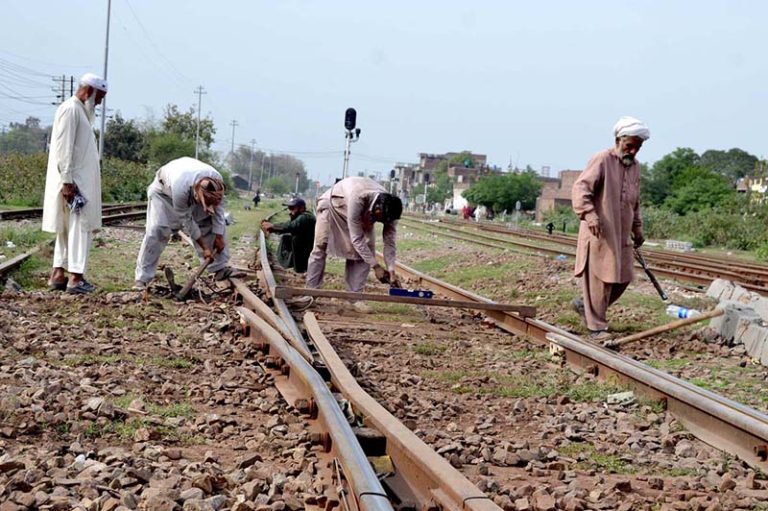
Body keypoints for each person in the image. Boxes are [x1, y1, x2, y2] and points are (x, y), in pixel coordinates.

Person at [571, 116, 649, 339]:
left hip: (622, 233)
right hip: (600, 232)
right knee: (600, 280)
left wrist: (638, 228)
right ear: (618, 140)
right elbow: (581, 188)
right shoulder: (602, 159)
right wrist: (589, 214)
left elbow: (635, 200)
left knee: (623, 277)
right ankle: (596, 327)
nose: (633, 151)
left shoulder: (635, 168)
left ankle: (585, 306)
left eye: (637, 147)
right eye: (629, 146)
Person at [133, 157, 244, 291]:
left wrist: (219, 237)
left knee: (208, 223)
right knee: (158, 230)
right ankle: (142, 279)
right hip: (164, 194)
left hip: (190, 190)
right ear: (197, 194)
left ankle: (219, 268)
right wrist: (205, 248)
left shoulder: (217, 182)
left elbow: (219, 213)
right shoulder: (181, 187)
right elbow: (188, 223)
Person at [41, 73, 107, 294]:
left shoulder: (80, 111)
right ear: (89, 91)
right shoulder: (71, 109)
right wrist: (68, 181)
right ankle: (76, 278)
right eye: (99, 97)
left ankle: (58, 275)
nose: (99, 103)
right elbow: (63, 148)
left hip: (75, 182)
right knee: (80, 229)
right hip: (75, 184)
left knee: (68, 229)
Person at [306, 176, 403, 313]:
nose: (380, 222)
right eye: (378, 219)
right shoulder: (358, 198)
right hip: (334, 205)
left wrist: (391, 270)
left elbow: (390, 243)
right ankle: (310, 293)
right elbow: (356, 239)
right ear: (377, 209)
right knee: (321, 245)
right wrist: (376, 266)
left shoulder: (391, 211)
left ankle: (354, 298)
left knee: (366, 250)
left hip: (361, 216)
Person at [260, 197, 316, 273]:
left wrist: (273, 226)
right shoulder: (303, 216)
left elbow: (291, 226)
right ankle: (293, 265)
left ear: (301, 208)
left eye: (292, 208)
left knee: (293, 240)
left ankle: (300, 268)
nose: (290, 210)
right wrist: (273, 228)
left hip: (308, 248)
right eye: (289, 208)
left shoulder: (305, 217)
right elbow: (289, 225)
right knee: (286, 238)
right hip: (306, 247)